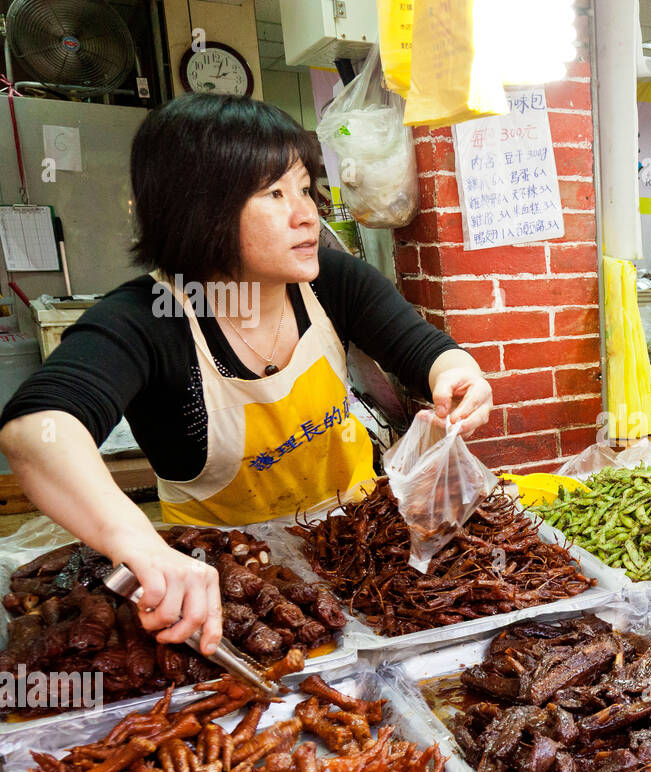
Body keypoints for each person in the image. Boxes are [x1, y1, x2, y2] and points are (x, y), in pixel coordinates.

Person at [0, 94, 493, 653]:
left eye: (305, 189)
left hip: (360, 550)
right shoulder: (147, 319)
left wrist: (458, 376)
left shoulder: (328, 280)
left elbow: (427, 350)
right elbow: (36, 430)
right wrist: (136, 542)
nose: (307, 214)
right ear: (199, 208)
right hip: (232, 583)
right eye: (274, 193)